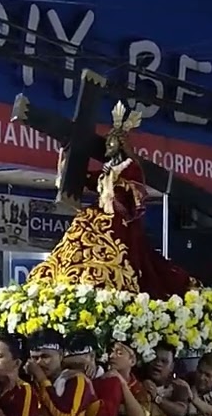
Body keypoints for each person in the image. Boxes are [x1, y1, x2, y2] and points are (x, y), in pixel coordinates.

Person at [25, 99, 197, 299]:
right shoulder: (106, 170)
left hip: (120, 218)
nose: (108, 144)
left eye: (112, 142)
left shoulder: (130, 167)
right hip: (100, 212)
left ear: (121, 144)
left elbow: (136, 194)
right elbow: (86, 180)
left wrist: (115, 183)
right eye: (107, 141)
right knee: (81, 226)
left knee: (108, 241)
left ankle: (103, 279)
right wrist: (65, 163)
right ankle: (68, 274)